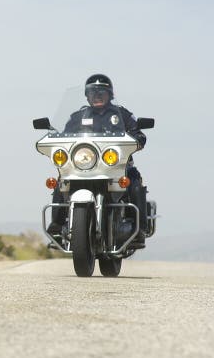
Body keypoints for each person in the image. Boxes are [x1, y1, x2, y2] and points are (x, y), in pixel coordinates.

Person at [48, 74, 149, 243]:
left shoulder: (121, 114)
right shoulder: (77, 117)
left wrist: (138, 137)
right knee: (61, 179)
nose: (97, 96)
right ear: (87, 96)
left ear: (110, 95)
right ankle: (57, 225)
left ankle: (140, 228)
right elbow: (63, 136)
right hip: (84, 167)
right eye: (93, 92)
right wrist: (53, 135)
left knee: (134, 182)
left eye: (102, 92)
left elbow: (138, 132)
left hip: (116, 167)